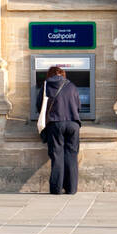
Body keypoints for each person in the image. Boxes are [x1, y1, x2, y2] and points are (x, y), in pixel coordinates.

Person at [36, 64, 82, 195]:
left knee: (57, 156)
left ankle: (56, 189)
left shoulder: (46, 85)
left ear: (50, 75)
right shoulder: (72, 86)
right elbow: (79, 106)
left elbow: (39, 105)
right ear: (63, 74)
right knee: (72, 156)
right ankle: (71, 189)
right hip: (73, 123)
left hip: (55, 123)